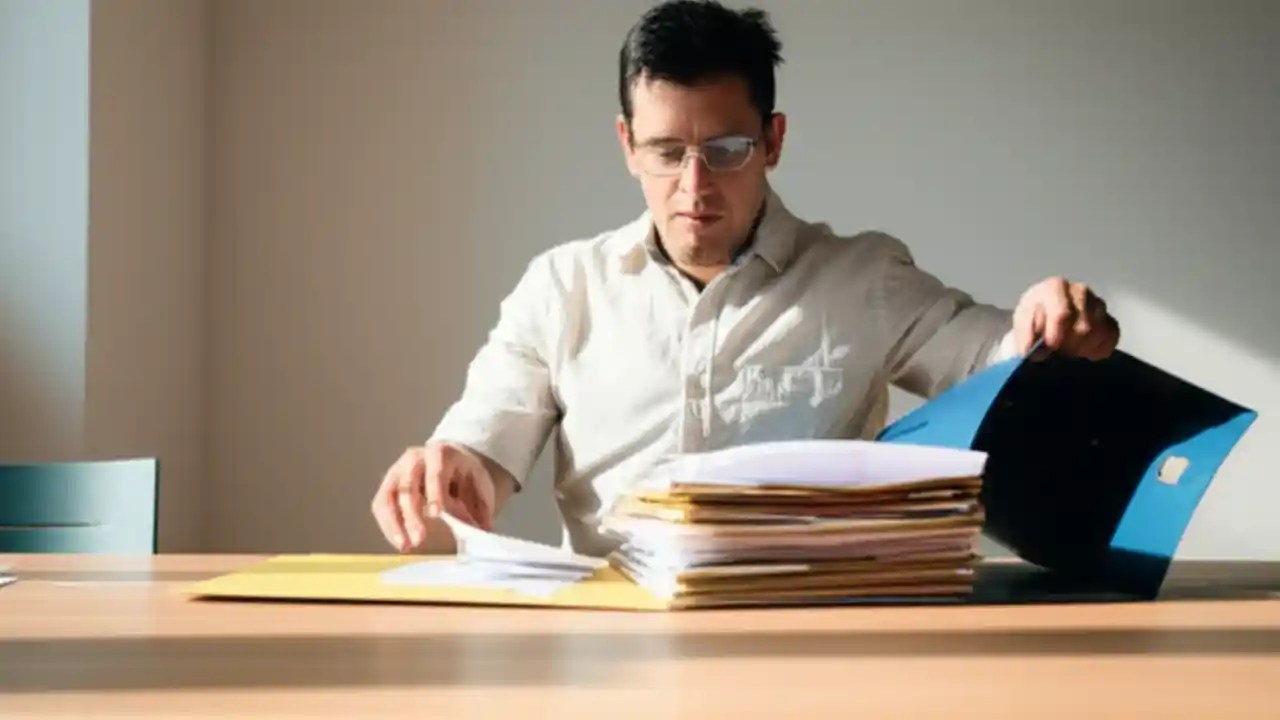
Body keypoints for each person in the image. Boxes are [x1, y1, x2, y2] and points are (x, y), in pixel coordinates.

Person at [370, 0, 1121, 557]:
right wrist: (450, 471)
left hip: (813, 641)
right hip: (611, 649)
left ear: (773, 140)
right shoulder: (562, 288)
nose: (694, 186)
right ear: (627, 145)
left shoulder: (863, 278)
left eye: (727, 150)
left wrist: (1049, 320)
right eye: (667, 152)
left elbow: (997, 358)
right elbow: (483, 447)